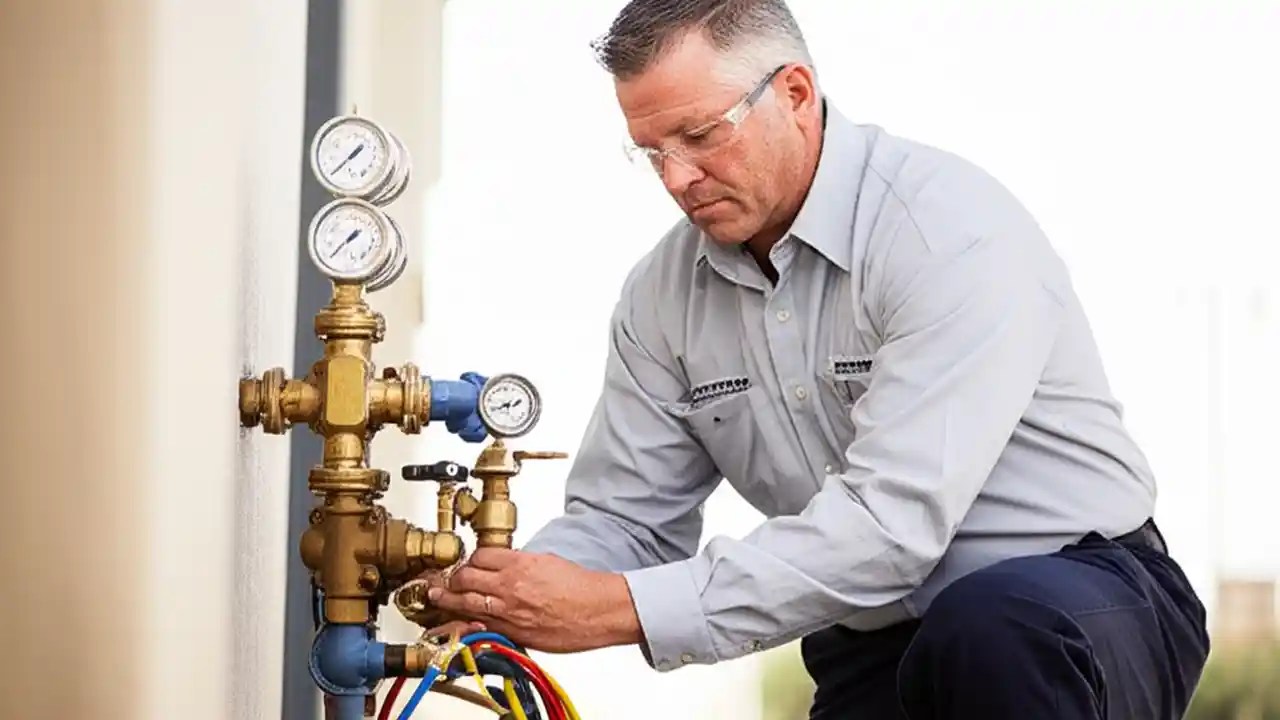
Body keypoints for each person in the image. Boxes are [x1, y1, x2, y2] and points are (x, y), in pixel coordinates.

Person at [425, 1, 1210, 717]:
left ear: (796, 93)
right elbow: (627, 518)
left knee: (989, 628)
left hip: (1079, 603)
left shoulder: (946, 231)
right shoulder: (660, 298)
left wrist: (618, 610)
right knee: (938, 642)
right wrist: (506, 596)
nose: (677, 179)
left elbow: (890, 524)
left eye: (700, 135)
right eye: (651, 151)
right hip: (880, 637)